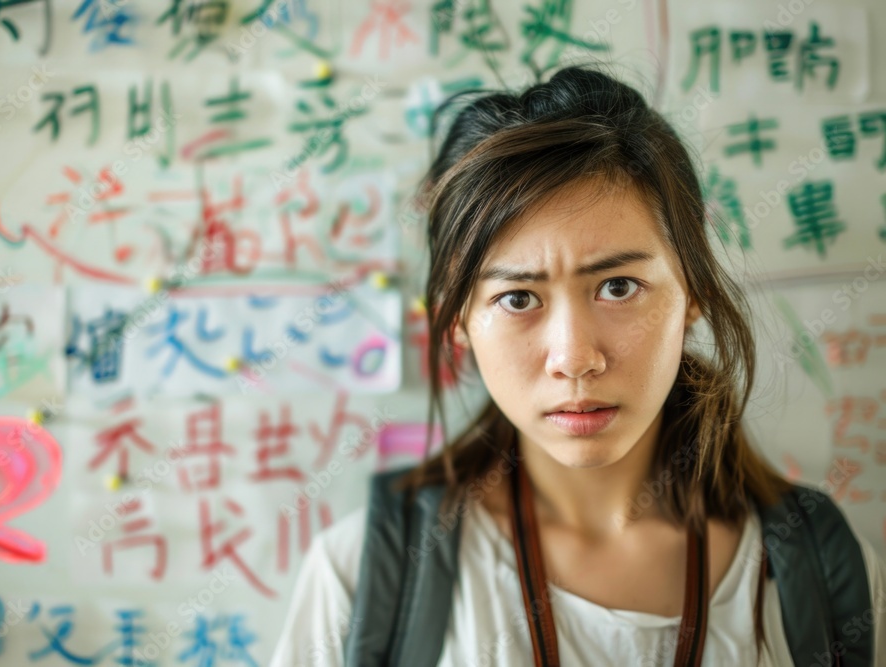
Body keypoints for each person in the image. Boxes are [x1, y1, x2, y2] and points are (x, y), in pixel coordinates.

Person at [269, 65, 886, 666]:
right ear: (456, 320)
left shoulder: (825, 571)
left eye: (618, 287)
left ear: (693, 284)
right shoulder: (365, 578)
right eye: (517, 299)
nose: (575, 359)